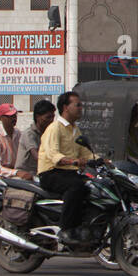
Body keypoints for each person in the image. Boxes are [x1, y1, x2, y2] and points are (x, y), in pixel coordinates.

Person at [37, 93, 93, 241]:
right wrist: (73, 162)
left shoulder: (75, 130)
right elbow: (53, 154)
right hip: (51, 173)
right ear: (65, 108)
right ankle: (66, 229)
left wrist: (104, 161)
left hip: (68, 173)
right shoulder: (55, 128)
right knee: (76, 186)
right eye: (78, 105)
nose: (81, 108)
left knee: (93, 187)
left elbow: (86, 154)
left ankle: (83, 227)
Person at [0, 103, 25, 180]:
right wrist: (16, 173)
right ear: (0, 118)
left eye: (14, 116)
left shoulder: (18, 134)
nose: (13, 119)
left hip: (15, 174)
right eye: (9, 116)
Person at [13, 100, 50, 178]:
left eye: (53, 117)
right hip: (25, 175)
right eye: (48, 117)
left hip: (40, 174)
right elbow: (37, 156)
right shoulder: (29, 134)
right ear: (37, 117)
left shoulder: (48, 133)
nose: (51, 120)